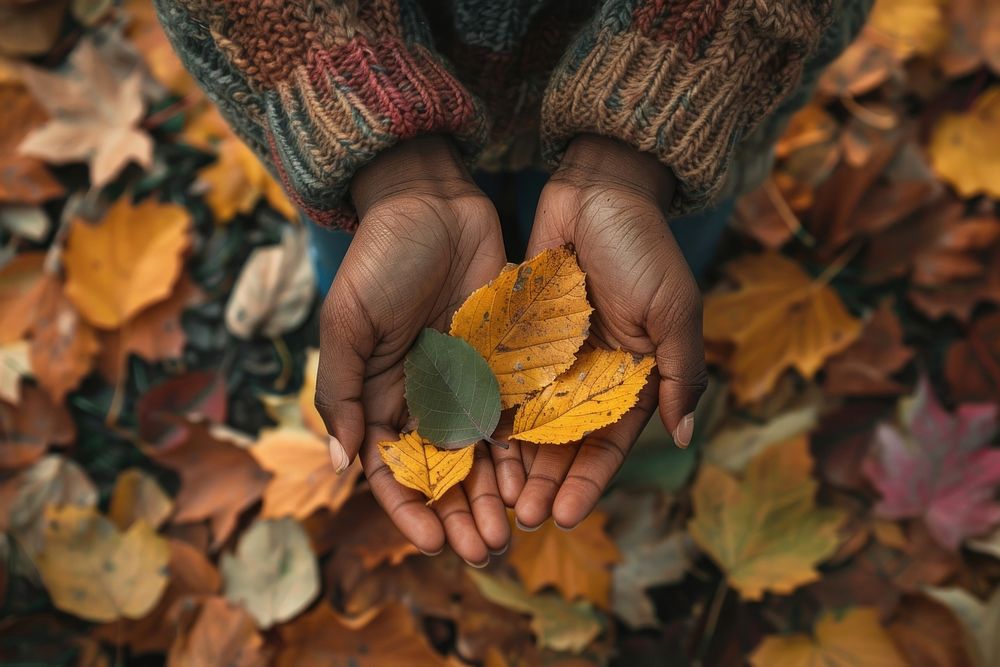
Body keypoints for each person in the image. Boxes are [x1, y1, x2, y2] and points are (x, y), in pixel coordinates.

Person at [155, 0, 870, 566]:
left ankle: (635, 435)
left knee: (649, 286)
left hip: (686, 95)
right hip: (363, 88)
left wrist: (640, 149)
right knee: (368, 276)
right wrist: (389, 166)